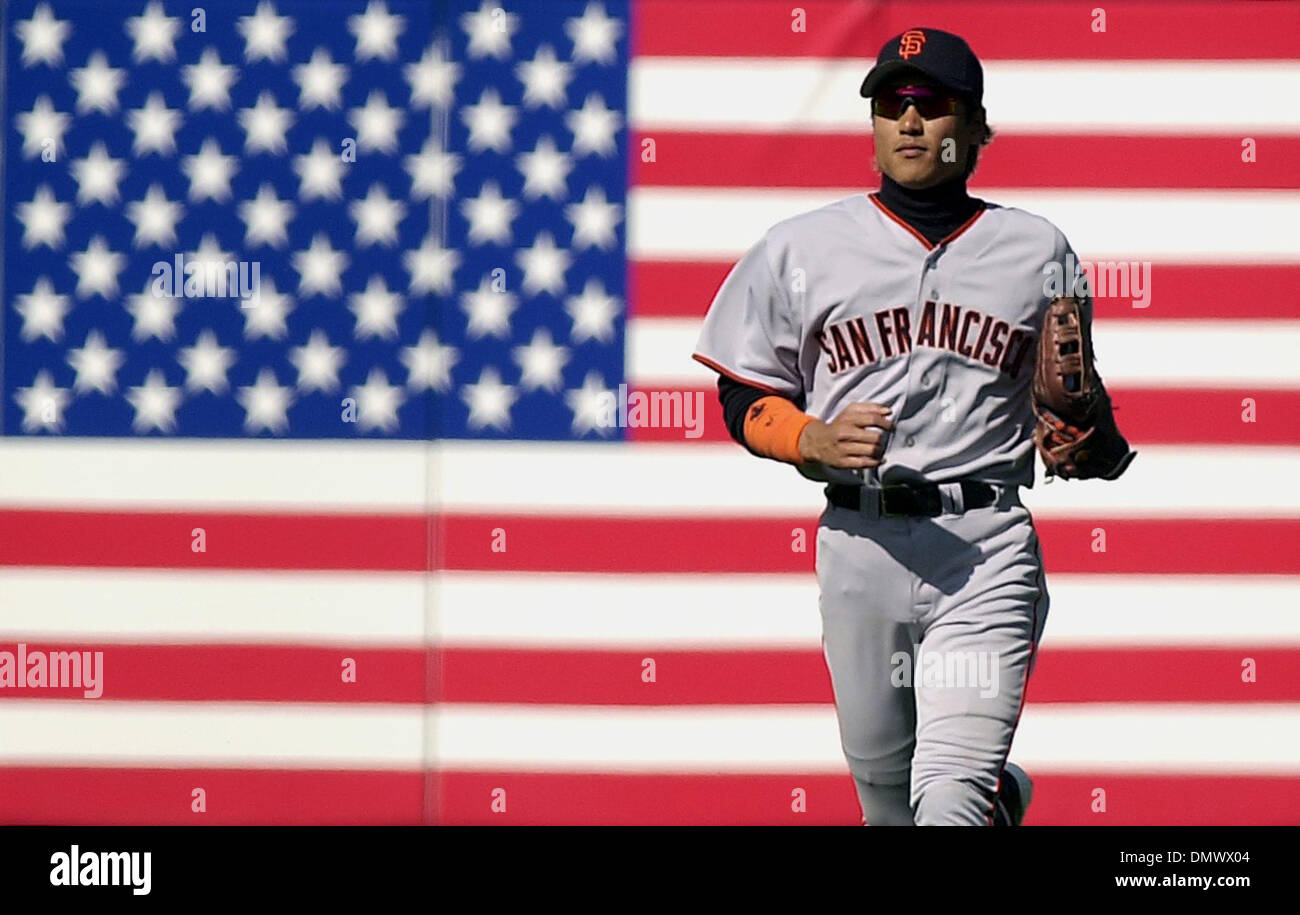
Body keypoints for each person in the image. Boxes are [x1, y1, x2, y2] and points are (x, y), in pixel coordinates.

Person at [691, 27, 1133, 825]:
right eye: (891, 103)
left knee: (949, 800)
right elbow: (740, 395)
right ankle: (997, 804)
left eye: (930, 104)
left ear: (971, 125)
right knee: (889, 806)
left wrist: (1090, 442)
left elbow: (1079, 410)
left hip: (984, 550)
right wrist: (809, 439)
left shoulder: (1038, 250)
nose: (908, 120)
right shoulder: (801, 247)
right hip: (859, 549)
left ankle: (977, 799)